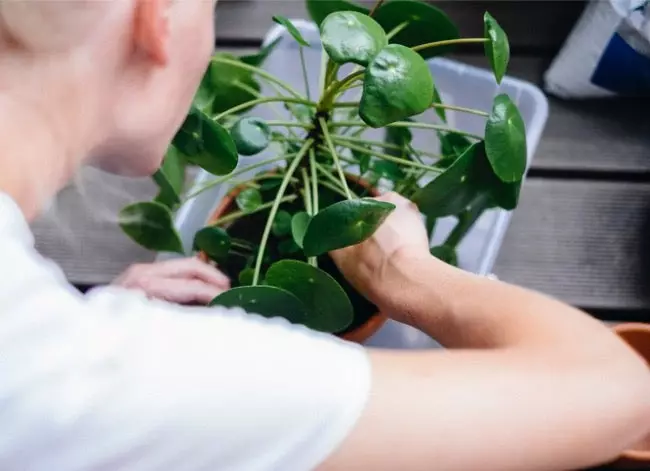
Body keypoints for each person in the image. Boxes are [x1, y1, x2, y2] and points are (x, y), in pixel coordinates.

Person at [0, 1, 648, 470]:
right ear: (157, 17)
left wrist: (95, 317)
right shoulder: (73, 381)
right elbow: (620, 390)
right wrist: (402, 271)